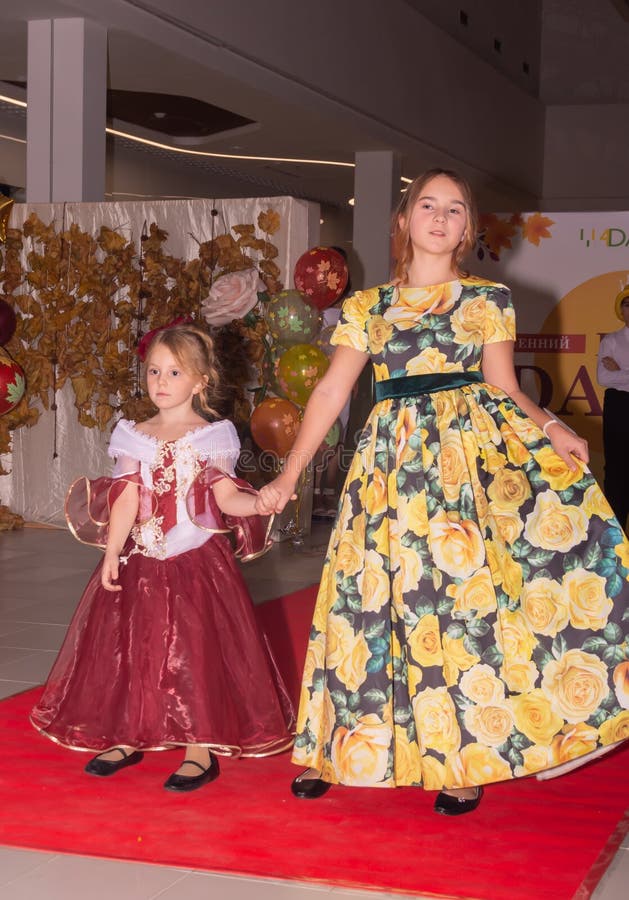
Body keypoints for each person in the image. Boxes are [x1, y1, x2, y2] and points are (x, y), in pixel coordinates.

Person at [257, 168, 629, 815]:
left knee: (455, 603)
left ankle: (463, 753)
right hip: (387, 466)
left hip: (461, 466)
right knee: (363, 597)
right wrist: (290, 475)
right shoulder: (366, 307)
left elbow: (505, 388)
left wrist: (552, 426)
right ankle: (337, 743)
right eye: (426, 205)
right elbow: (329, 392)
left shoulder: (488, 300)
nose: (438, 216)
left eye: (453, 209)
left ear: (466, 230)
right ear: (403, 222)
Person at [31, 322, 294, 791]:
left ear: (200, 381)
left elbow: (225, 496)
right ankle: (130, 733)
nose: (161, 382)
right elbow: (127, 497)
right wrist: (113, 551)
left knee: (195, 651)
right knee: (135, 645)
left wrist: (257, 503)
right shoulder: (135, 434)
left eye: (174, 373)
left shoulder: (212, 436)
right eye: (154, 371)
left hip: (195, 558)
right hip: (142, 556)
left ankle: (200, 745)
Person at [597, 287, 629, 530]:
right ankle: (616, 534)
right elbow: (604, 378)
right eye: (627, 304)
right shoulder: (611, 340)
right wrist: (616, 374)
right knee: (616, 466)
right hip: (619, 406)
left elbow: (615, 375)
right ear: (621, 310)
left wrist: (621, 371)